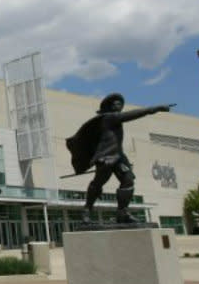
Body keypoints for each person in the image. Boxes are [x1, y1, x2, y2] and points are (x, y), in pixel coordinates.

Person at [66, 93, 172, 224]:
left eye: (120, 104)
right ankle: (87, 210)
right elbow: (134, 114)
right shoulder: (109, 117)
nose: (119, 106)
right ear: (109, 107)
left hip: (119, 157)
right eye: (115, 104)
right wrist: (156, 108)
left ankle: (122, 213)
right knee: (98, 184)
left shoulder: (115, 119)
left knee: (128, 181)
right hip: (106, 157)